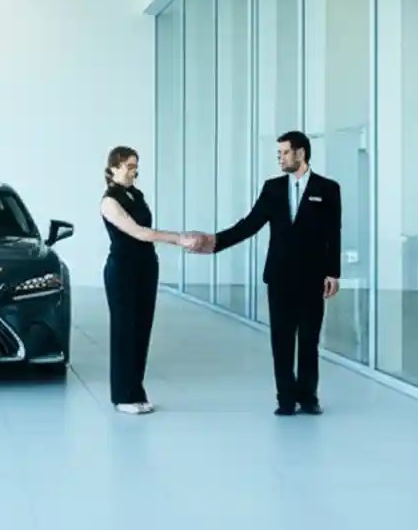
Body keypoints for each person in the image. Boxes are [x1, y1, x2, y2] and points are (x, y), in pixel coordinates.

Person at [191, 131, 341, 416]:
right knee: (282, 340)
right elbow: (250, 224)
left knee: (309, 340)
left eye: (284, 152)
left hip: (313, 277)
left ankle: (308, 397)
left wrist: (333, 273)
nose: (280, 158)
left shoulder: (328, 188)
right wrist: (215, 242)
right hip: (280, 276)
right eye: (279, 153)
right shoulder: (272, 188)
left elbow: (334, 233)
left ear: (301, 154)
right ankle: (285, 399)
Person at [99, 145, 199, 415]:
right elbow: (140, 232)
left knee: (142, 329)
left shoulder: (136, 194)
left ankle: (136, 390)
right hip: (123, 270)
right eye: (129, 166)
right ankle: (122, 395)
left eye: (135, 166)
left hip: (145, 267)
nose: (134, 171)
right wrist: (178, 238)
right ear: (114, 168)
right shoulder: (110, 201)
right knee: (124, 331)